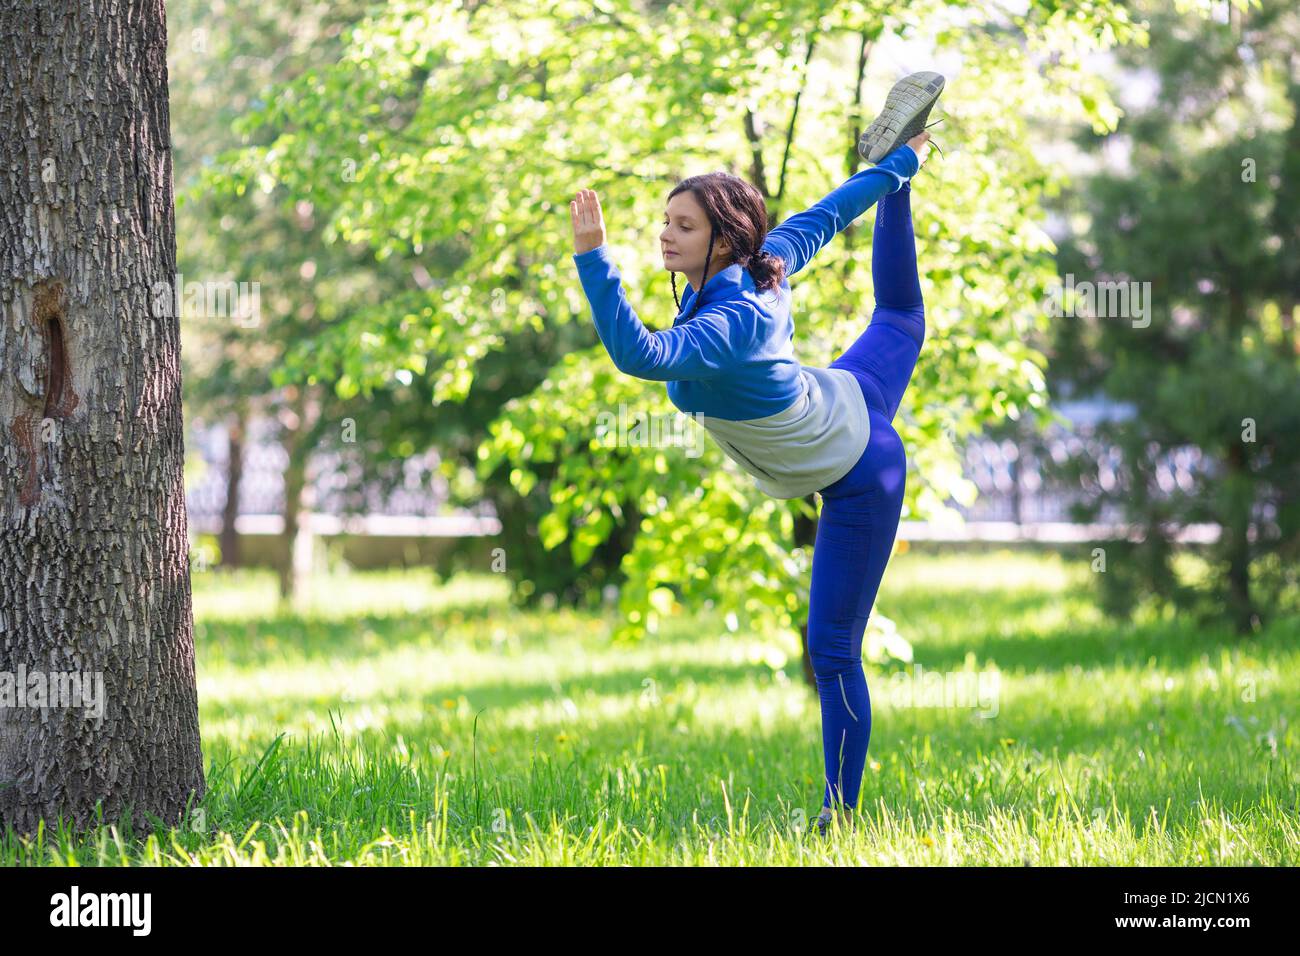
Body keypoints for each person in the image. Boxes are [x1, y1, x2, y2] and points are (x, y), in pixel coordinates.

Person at [569, 72, 945, 841]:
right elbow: (827, 216)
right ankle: (906, 161)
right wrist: (892, 169)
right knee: (902, 314)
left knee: (833, 651)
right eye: (664, 221)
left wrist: (592, 260)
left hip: (859, 473)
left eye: (683, 225)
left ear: (722, 240)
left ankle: (839, 820)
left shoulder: (731, 322)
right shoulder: (759, 269)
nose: (665, 235)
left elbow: (640, 354)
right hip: (847, 394)